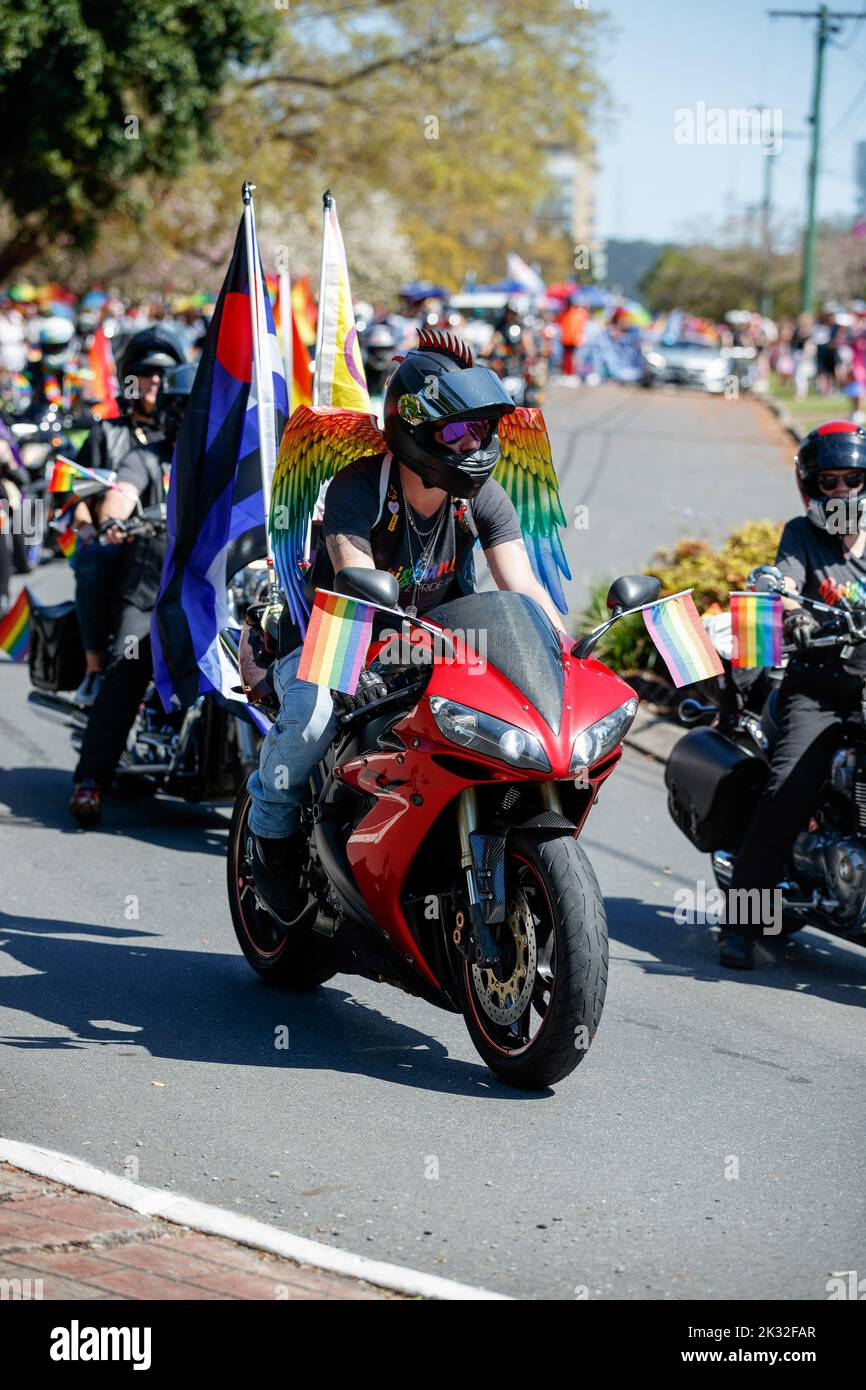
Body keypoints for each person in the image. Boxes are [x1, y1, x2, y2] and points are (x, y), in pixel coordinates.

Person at [247, 330, 569, 921]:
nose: (473, 443)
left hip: (445, 643)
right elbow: (355, 579)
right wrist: (383, 649)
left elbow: (523, 587)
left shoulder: (484, 498)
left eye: (480, 429)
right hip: (345, 639)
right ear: (413, 427)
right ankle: (269, 831)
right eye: (456, 430)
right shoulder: (357, 489)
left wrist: (564, 648)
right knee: (316, 714)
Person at [720, 420, 866, 968]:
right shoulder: (802, 536)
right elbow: (782, 586)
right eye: (831, 481)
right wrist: (797, 616)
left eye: (855, 478)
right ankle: (739, 921)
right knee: (786, 790)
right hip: (821, 690)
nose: (844, 491)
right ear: (812, 485)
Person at [68, 362, 195, 826]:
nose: (192, 416)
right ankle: (89, 781)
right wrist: (115, 519)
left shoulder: (228, 470)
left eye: (200, 407)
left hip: (211, 596)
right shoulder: (146, 459)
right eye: (183, 407)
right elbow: (121, 493)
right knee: (128, 664)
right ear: (170, 412)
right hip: (148, 595)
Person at [69, 326, 188, 705]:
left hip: (169, 550)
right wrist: (94, 526)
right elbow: (76, 492)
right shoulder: (108, 433)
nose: (154, 381)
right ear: (128, 382)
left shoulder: (183, 436)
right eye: (145, 373)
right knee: (93, 560)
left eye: (162, 374)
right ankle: (94, 670)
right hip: (119, 544)